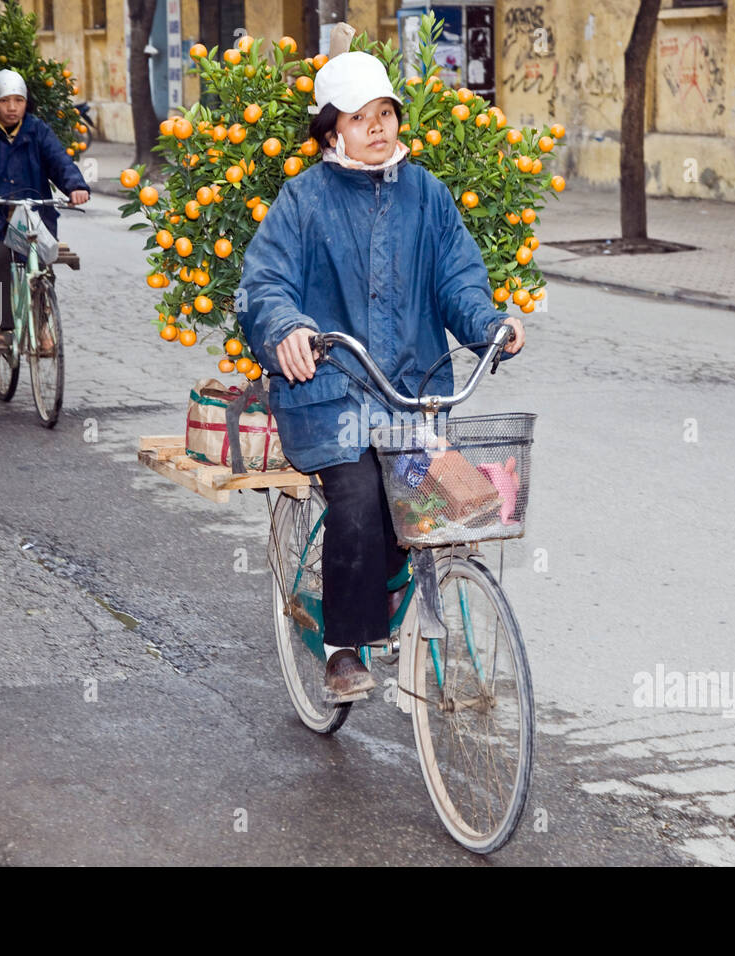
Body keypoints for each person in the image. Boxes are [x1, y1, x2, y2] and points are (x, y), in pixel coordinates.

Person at [239, 51, 525, 701]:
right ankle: (344, 646)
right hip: (327, 397)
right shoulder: (303, 201)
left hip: (409, 399)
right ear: (331, 130)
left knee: (435, 499)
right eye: (360, 116)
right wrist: (285, 327)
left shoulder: (426, 195)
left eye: (387, 113)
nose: (378, 126)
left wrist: (489, 325)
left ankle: (397, 602)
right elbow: (265, 283)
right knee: (364, 496)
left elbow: (459, 281)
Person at [0, 69, 90, 355]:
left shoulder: (36, 129)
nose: (12, 107)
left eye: (18, 100)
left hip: (31, 217)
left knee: (42, 260)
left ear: (27, 102)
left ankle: (42, 326)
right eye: (4, 101)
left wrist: (75, 185)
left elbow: (60, 160)